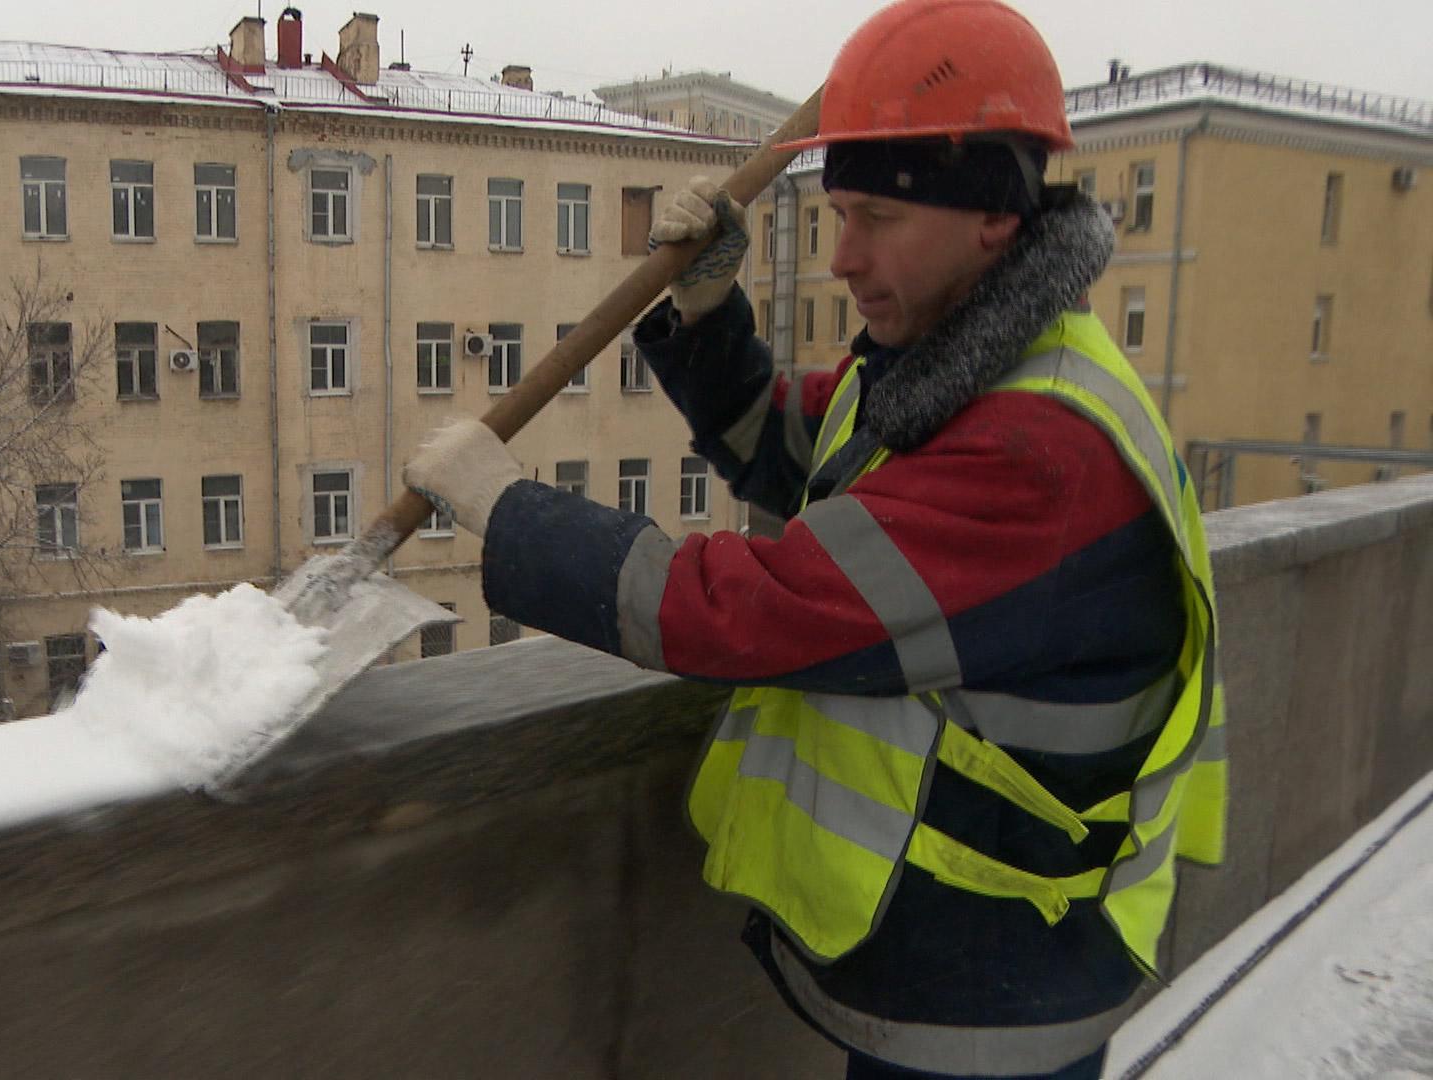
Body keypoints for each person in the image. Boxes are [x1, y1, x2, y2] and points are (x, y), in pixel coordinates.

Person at [401, 1, 1227, 1076]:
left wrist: (510, 511)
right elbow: (788, 448)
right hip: (960, 966)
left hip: (992, 996)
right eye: (838, 211)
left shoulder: (1039, 450)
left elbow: (752, 607)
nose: (842, 257)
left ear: (993, 219)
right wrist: (706, 310)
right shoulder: (956, 371)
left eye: (878, 214)